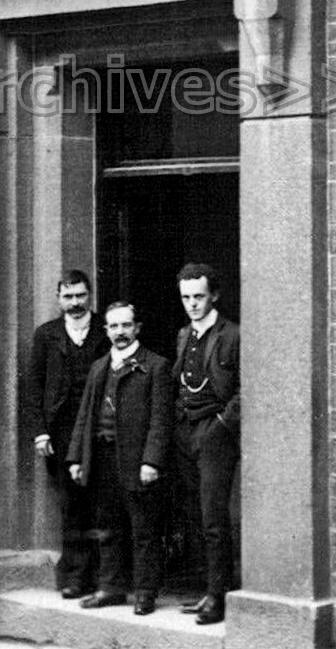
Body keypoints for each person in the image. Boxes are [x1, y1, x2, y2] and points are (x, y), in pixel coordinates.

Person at [67, 300, 172, 617]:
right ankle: (111, 588)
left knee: (143, 529)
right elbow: (85, 415)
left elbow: (161, 420)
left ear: (137, 328)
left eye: (126, 325)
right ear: (106, 330)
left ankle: (144, 592)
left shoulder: (155, 366)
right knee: (107, 526)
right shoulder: (100, 366)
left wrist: (151, 461)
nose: (120, 332)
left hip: (137, 460)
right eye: (113, 326)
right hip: (102, 458)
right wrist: (76, 457)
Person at [26, 269, 108, 597]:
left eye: (80, 296)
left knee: (101, 502)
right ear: (59, 299)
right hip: (60, 433)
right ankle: (76, 577)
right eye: (68, 297)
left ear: (90, 296)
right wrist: (40, 433)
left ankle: (105, 577)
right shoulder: (47, 335)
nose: (75, 303)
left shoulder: (105, 330)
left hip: (98, 430)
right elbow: (34, 386)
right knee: (71, 504)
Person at [173, 261, 240, 627]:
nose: (192, 304)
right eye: (186, 297)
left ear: (213, 295)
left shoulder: (232, 334)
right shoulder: (185, 335)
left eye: (199, 296)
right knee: (195, 514)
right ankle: (206, 589)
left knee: (214, 517)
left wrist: (220, 425)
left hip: (214, 434)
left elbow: (245, 389)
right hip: (186, 431)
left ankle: (219, 596)